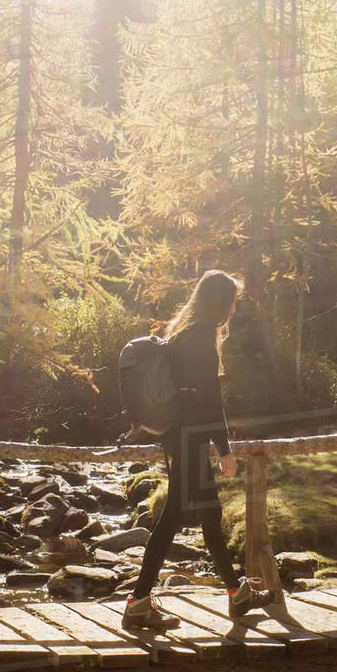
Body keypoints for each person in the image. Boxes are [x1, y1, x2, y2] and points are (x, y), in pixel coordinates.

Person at [122, 269, 275, 630]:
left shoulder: (183, 333)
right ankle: (138, 602)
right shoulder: (202, 336)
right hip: (191, 435)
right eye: (233, 301)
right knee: (173, 517)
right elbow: (210, 399)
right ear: (220, 303)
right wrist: (225, 449)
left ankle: (237, 596)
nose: (235, 308)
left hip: (180, 434)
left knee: (210, 514)